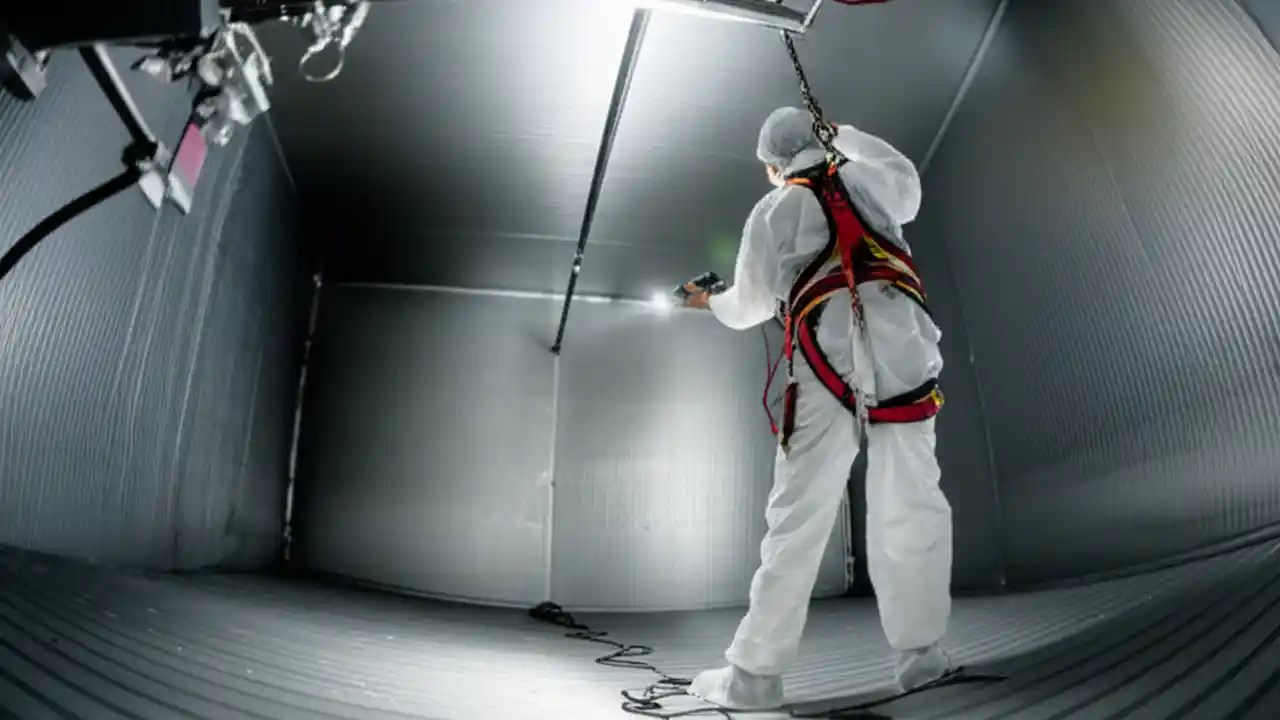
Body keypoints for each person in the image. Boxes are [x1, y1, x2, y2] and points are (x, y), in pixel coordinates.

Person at [680, 107, 954, 710]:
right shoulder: (870, 179)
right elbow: (907, 180)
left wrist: (710, 302)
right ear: (824, 140)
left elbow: (750, 304)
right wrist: (848, 135)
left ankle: (753, 679)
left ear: (774, 166)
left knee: (799, 514)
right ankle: (923, 659)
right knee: (912, 499)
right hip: (904, 347)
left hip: (826, 357)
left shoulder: (775, 209)